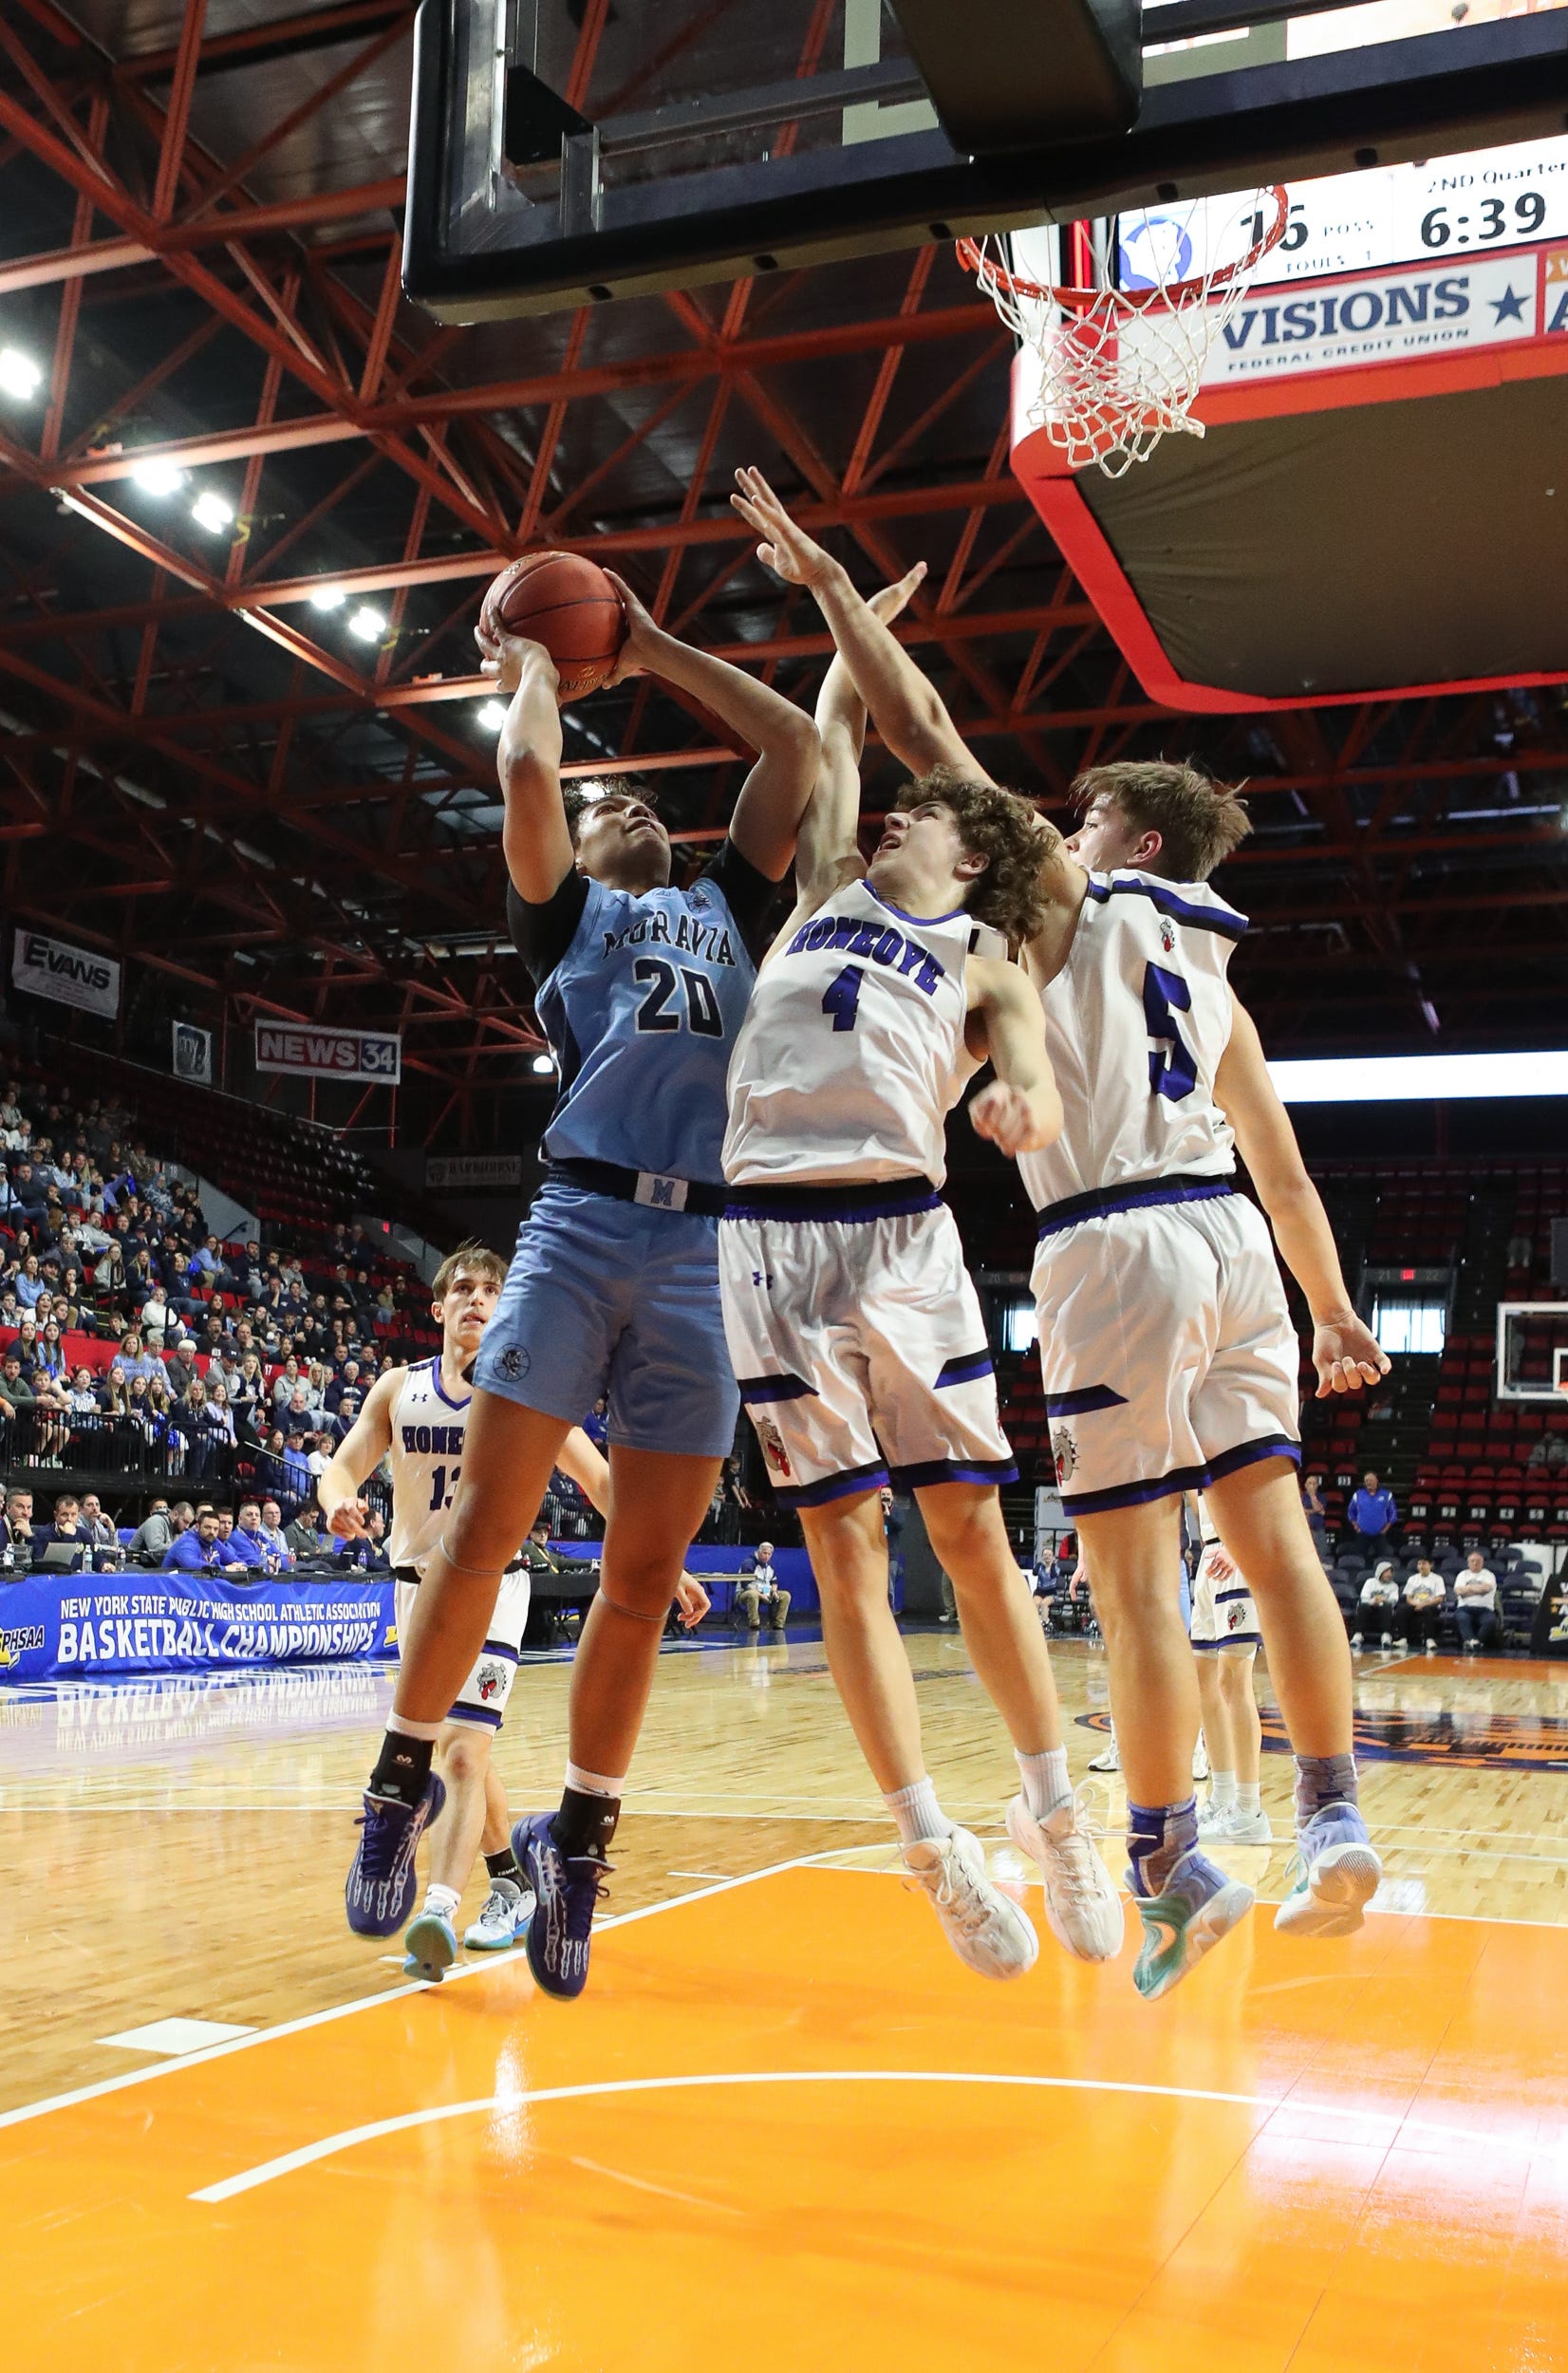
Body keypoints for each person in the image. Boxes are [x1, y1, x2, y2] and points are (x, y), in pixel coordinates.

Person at [741, 482, 1387, 1996]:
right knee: (1274, 1544)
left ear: (1129, 835)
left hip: (1112, 1245)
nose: (1058, 821)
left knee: (1136, 1582)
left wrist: (830, 591)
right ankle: (1330, 1812)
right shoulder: (1212, 974)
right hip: (1234, 1241)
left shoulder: (1071, 893)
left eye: (1083, 814)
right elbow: (1287, 1177)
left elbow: (918, 729)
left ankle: (1163, 1854)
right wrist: (1334, 1314)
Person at [345, 578, 821, 2003]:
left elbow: (793, 746)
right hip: (579, 1224)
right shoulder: (564, 921)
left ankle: (581, 1844)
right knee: (483, 1532)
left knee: (644, 1577)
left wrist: (653, 647)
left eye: (637, 799)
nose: (626, 806)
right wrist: (540, 667)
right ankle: (396, 1786)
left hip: (702, 1252)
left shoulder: (729, 900)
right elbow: (525, 771)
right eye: (606, 802)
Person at [721, 474, 1123, 1978]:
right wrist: (836, 607)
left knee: (962, 1532)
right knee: (839, 1549)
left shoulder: (985, 954)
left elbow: (1029, 1074)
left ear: (970, 856)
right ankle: (926, 1846)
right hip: (760, 1241)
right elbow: (833, 733)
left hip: (898, 1236)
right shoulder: (820, 891)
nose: (906, 811)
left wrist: (1020, 1105)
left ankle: (1051, 1813)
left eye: (935, 812)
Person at [332, 1247, 623, 1976]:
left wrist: (659, 1556)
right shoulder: (399, 1388)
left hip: (496, 1585)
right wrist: (338, 1502)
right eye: (462, 1288)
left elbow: (600, 1483)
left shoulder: (528, 1396)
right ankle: (512, 1882)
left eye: (491, 1290)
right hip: (415, 1589)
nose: (476, 1300)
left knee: (462, 1750)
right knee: (459, 1749)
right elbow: (343, 1465)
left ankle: (436, 1910)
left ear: (504, 1309)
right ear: (439, 1308)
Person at [1188, 1503, 1271, 1846]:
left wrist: (1241, 1543)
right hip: (1210, 1554)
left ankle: (1249, 1809)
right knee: (1204, 1679)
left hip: (1235, 1551)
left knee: (1233, 1679)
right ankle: (1222, 1796)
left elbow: (1263, 1492)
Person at [736, 1542, 792, 1632]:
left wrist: (774, 1591)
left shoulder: (769, 1566)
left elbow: (774, 1581)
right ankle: (754, 1624)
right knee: (753, 1594)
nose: (767, 1556)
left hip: (765, 1592)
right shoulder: (749, 1563)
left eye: (769, 1554)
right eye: (764, 1553)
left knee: (785, 1595)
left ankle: (778, 1624)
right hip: (745, 1593)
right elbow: (746, 1585)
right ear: (759, 1552)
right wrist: (761, 1595)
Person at [1453, 1551, 1501, 1652]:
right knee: (1462, 1618)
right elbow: (1459, 1591)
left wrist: (1468, 1588)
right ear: (1468, 1563)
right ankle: (1474, 1643)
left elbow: (1486, 1589)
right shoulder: (1462, 1575)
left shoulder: (1489, 1575)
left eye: (1478, 1561)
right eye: (1472, 1561)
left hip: (1485, 1609)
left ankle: (1474, 1642)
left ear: (1482, 1563)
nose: (1475, 1563)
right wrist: (1478, 1590)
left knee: (1490, 1620)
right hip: (1464, 1608)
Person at [1347, 1471, 1397, 1560]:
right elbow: (1350, 1511)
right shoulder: (1358, 1494)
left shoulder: (1386, 1495)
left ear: (1377, 1481)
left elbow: (1393, 1513)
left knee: (1383, 1560)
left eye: (1371, 1480)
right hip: (1362, 1534)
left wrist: (1385, 1529)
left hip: (1380, 1534)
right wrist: (1355, 1526)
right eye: (1366, 1480)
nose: (1368, 1482)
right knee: (1360, 1559)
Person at [1401, 1558, 1446, 1652]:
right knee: (1402, 1609)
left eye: (1424, 1563)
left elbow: (1439, 1598)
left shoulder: (1438, 1579)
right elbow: (1409, 1598)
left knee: (1427, 1609)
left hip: (1431, 1605)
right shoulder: (1412, 1579)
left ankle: (1429, 1639)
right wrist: (1417, 1604)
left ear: (1431, 1565)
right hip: (1416, 1604)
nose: (1421, 1566)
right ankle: (1403, 1638)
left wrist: (1424, 1604)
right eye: (1419, 1564)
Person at [1353, 1560, 1400, 1649]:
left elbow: (1393, 1601)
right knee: (1363, 1606)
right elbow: (1364, 1598)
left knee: (1387, 1606)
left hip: (1384, 1607)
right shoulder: (1370, 1582)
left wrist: (1382, 1601)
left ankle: (1386, 1635)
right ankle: (1358, 1635)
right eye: (1386, 1572)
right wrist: (1373, 1601)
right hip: (1370, 1605)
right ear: (1380, 1572)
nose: (1389, 1574)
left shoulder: (1394, 1586)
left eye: (1390, 1572)